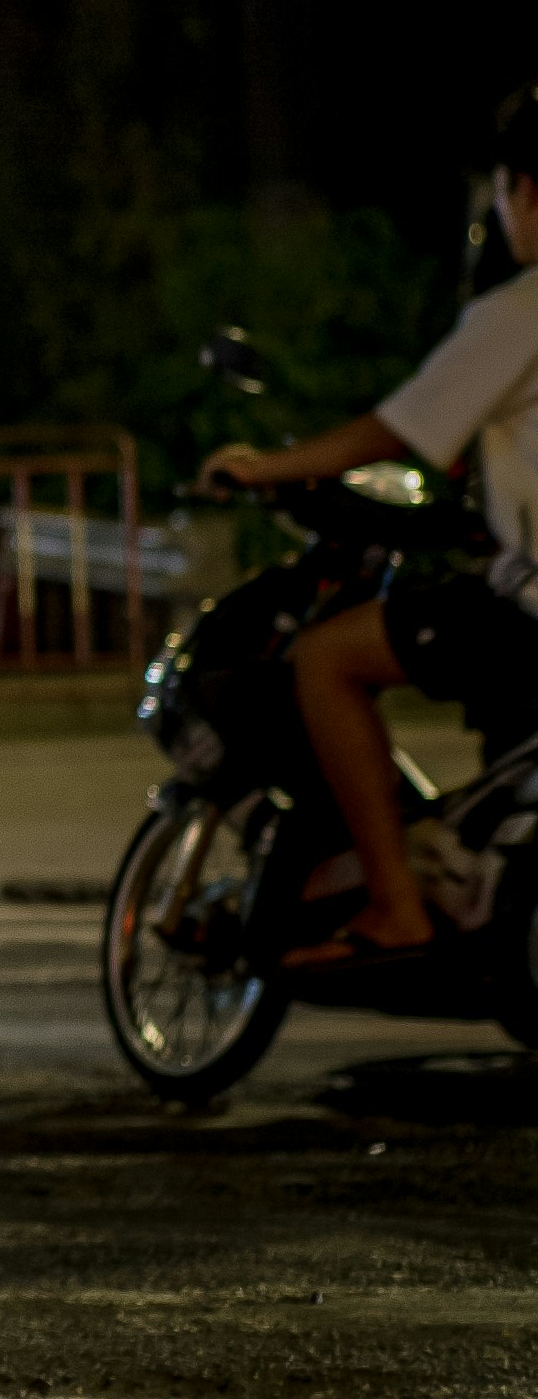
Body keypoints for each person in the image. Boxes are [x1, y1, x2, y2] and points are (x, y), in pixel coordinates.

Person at [199, 98, 538, 962]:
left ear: (524, 193)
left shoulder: (520, 309)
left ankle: (396, 905)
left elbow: (399, 428)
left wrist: (263, 466)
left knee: (326, 657)